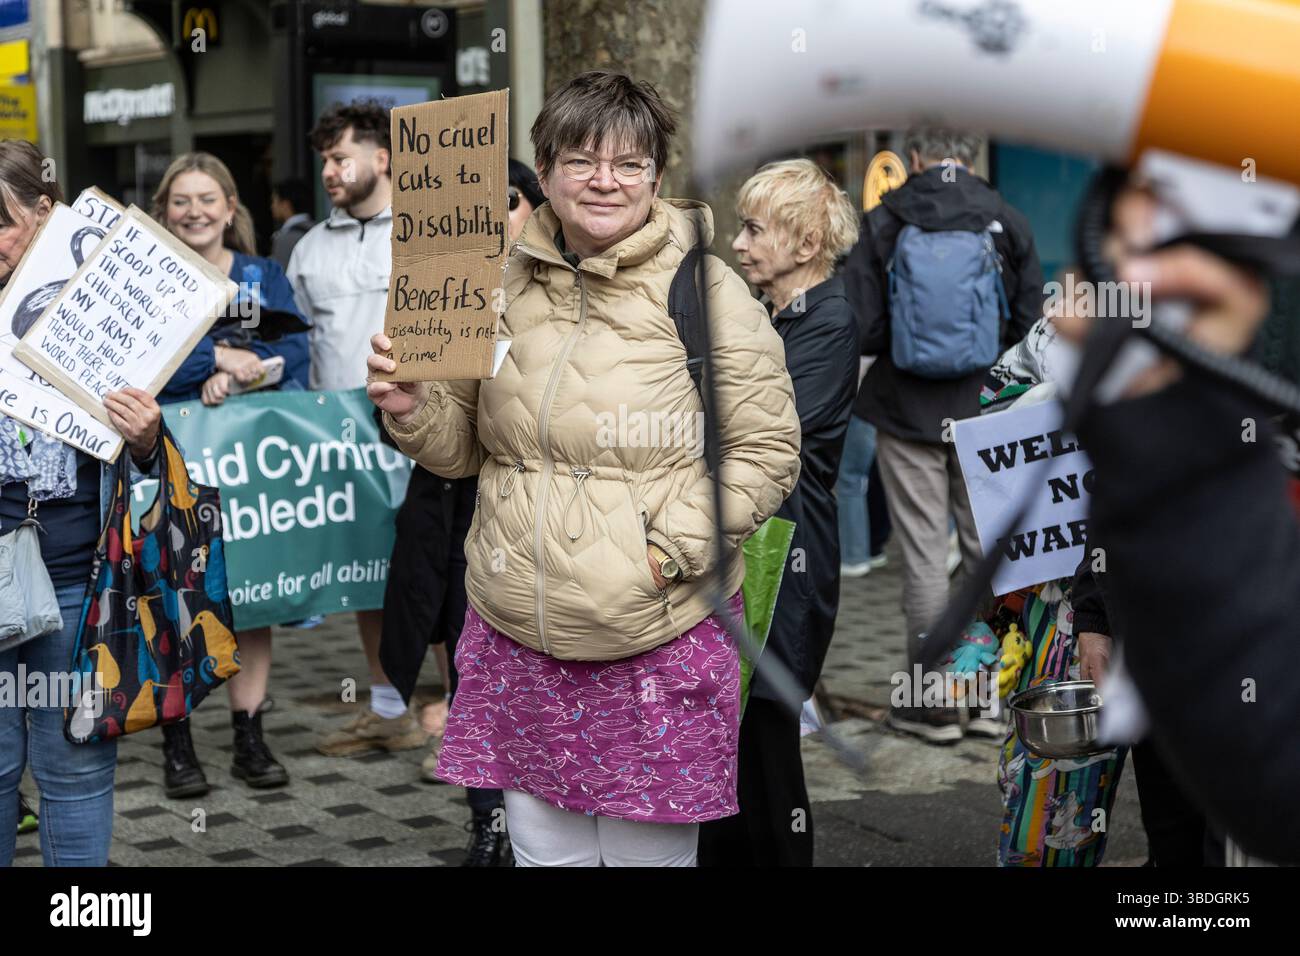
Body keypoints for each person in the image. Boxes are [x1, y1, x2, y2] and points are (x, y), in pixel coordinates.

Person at [368, 71, 801, 867]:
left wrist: (668, 554)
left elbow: (766, 449)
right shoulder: (494, 279)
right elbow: (463, 448)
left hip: (653, 630)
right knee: (545, 857)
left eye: (629, 164)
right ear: (545, 171)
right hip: (516, 631)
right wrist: (408, 409)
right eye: (580, 160)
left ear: (656, 178)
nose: (605, 180)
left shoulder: (704, 288)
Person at [843, 127, 1044, 743]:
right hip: (989, 412)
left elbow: (866, 326)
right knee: (984, 556)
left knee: (926, 559)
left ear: (913, 159)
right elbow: (1032, 323)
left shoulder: (884, 221)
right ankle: (984, 699)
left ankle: (932, 705)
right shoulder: (1005, 219)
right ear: (973, 154)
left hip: (907, 412)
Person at [375, 157, 545, 867]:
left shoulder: (556, 294)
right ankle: (488, 821)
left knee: (525, 671)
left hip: (526, 518)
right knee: (466, 663)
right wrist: (403, 394)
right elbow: (398, 402)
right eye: (480, 207)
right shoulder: (436, 288)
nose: (495, 217)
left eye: (508, 202)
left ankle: (539, 813)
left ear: (536, 210)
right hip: (446, 511)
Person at [0, 141, 163, 866]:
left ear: (44, 213)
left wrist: (147, 439)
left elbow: (156, 469)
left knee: (74, 772)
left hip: (78, 584)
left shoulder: (109, 307)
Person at [697, 158, 859, 867]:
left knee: (767, 724)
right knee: (730, 729)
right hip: (750, 543)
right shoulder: (775, 317)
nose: (738, 243)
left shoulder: (829, 320)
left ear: (805, 243)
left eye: (755, 229)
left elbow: (766, 425)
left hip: (790, 554)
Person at [148, 152, 311, 798]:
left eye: (206, 199)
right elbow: (141, 363)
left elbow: (292, 352)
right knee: (173, 598)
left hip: (251, 465)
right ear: (163, 211)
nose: (194, 212)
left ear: (230, 206)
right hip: (166, 460)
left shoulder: (260, 275)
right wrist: (214, 359)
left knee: (249, 595)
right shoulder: (148, 280)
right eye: (181, 201)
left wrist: (247, 369)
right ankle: (178, 745)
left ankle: (249, 735)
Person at [288, 101, 426, 758]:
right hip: (339, 440)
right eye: (324, 161)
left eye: (340, 157)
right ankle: (388, 707)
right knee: (366, 573)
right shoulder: (310, 248)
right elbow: (293, 345)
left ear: (384, 158)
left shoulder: (430, 233)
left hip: (425, 433)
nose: (330, 172)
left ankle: (456, 714)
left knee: (439, 571)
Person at [269, 178, 315, 270]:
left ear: (285, 205)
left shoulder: (285, 239)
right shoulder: (319, 230)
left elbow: (279, 278)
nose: (272, 206)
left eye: (274, 201)